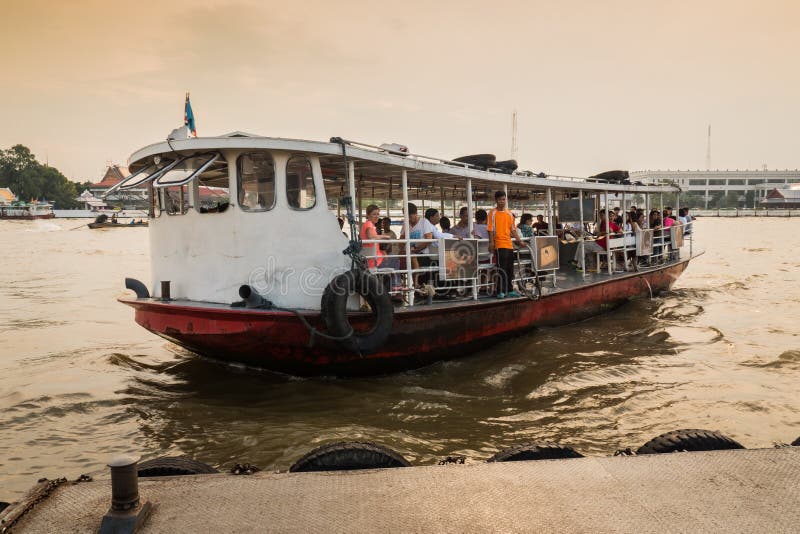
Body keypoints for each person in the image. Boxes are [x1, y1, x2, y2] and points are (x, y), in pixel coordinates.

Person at [488, 190, 523, 298]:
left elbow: (513, 230)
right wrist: (491, 243)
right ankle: (500, 291)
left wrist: (519, 241)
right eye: (500, 199)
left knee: (509, 269)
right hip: (499, 244)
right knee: (501, 268)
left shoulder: (509, 214)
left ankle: (510, 289)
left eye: (504, 199)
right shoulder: (492, 213)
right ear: (496, 200)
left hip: (509, 244)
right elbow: (490, 229)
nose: (502, 201)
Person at [359, 204, 391, 269]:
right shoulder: (369, 224)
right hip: (374, 260)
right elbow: (371, 236)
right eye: (374, 214)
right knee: (396, 261)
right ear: (368, 215)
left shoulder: (369, 225)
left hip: (373, 257)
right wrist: (384, 236)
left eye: (378, 214)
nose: (377, 216)